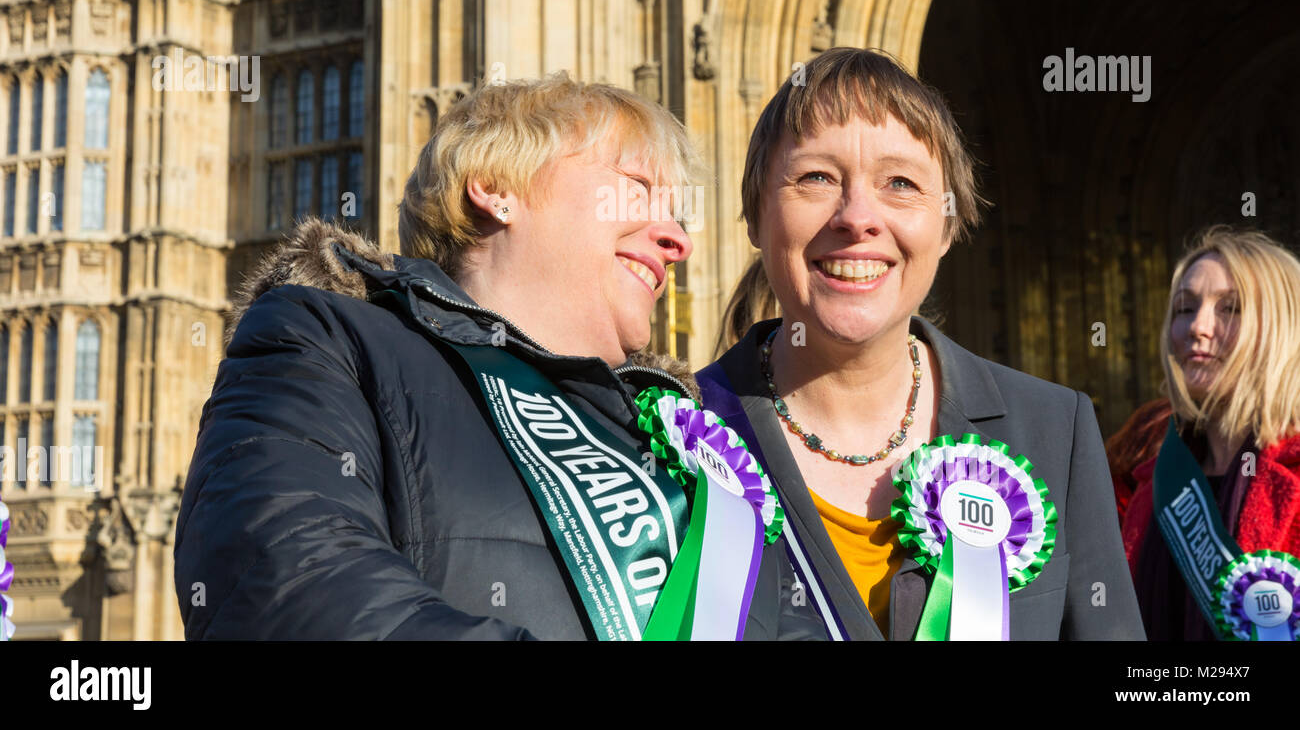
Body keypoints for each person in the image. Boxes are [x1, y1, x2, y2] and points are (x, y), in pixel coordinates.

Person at [174, 72, 819, 640]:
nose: (677, 238)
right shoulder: (327, 341)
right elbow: (290, 576)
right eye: (638, 189)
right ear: (495, 189)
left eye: (676, 213)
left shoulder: (690, 448)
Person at [695, 47, 1145, 640]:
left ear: (949, 224)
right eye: (815, 178)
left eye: (900, 183)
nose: (857, 217)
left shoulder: (1054, 430)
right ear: (755, 214)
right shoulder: (684, 436)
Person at [1108, 226, 1300, 640]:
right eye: (1184, 309)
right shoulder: (1149, 480)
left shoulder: (1294, 474)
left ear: (1283, 328)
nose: (1198, 327)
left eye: (1230, 308)